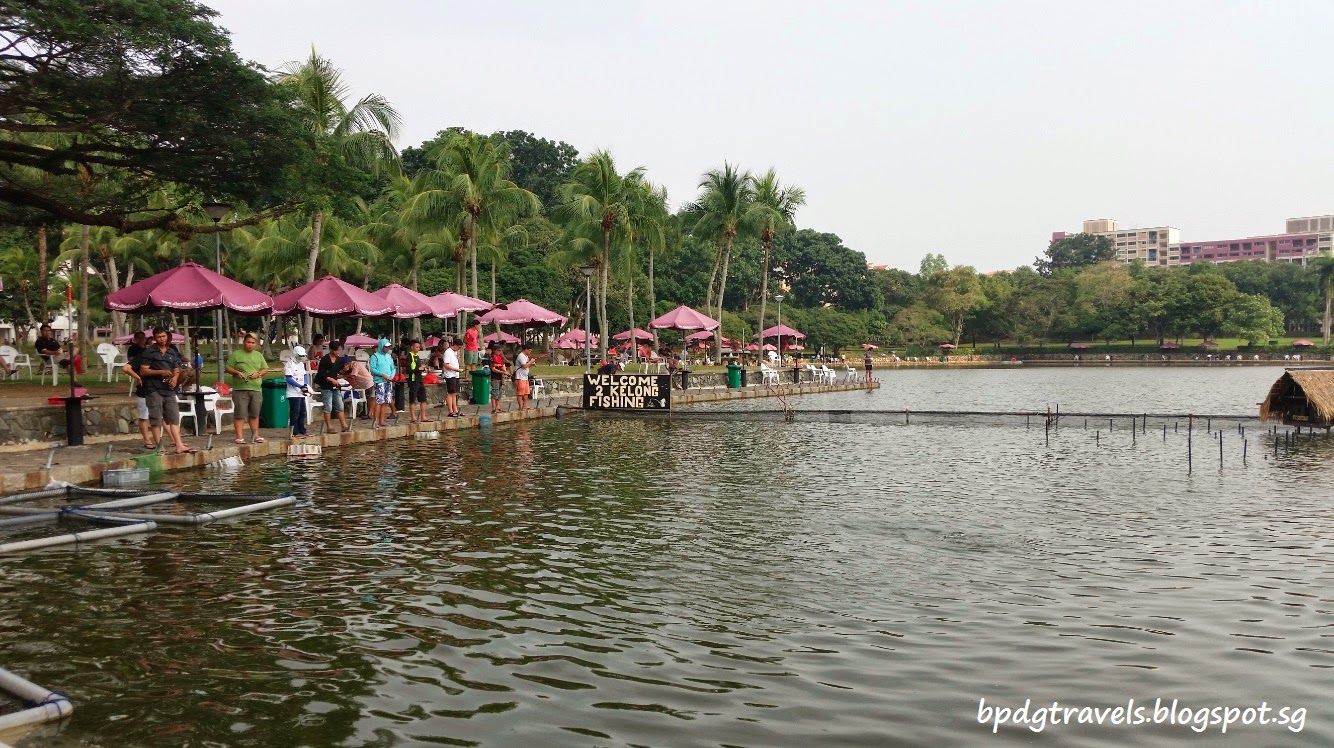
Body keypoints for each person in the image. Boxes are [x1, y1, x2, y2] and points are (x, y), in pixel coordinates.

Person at [138, 327, 193, 454]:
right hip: (153, 388)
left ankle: (179, 445)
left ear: (167, 336)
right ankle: (159, 446)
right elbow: (143, 370)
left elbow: (176, 368)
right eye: (159, 337)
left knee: (174, 417)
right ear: (155, 338)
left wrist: (175, 378)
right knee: (156, 418)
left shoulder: (171, 352)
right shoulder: (149, 352)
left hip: (168, 389)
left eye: (164, 336)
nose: (162, 339)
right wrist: (160, 371)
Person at [224, 332, 270, 444]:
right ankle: (239, 437)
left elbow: (265, 369)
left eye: (253, 343)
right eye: (248, 342)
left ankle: (256, 435)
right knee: (240, 413)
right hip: (241, 389)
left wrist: (258, 374)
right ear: (244, 342)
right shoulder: (236, 354)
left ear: (256, 344)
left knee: (255, 414)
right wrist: (236, 372)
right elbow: (228, 368)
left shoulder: (258, 355)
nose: (250, 344)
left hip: (256, 389)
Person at [121, 332, 153, 448]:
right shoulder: (136, 350)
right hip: (144, 387)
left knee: (160, 416)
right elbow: (127, 366)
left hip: (157, 388)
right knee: (144, 415)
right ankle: (147, 440)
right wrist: (138, 377)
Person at [316, 339, 350, 433]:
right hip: (326, 386)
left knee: (340, 405)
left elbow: (339, 371)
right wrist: (331, 379)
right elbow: (321, 374)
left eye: (338, 350)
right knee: (328, 407)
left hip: (335, 386)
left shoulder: (339, 359)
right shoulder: (325, 359)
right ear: (330, 349)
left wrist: (344, 370)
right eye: (335, 350)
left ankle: (344, 425)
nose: (337, 352)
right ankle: (329, 427)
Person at [368, 338, 396, 428]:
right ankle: (375, 422)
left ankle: (381, 421)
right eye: (385, 347)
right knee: (379, 401)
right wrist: (382, 375)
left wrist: (391, 376)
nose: (387, 349)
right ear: (381, 346)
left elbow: (393, 368)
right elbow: (372, 369)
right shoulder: (375, 356)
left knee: (386, 402)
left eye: (388, 347)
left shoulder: (389, 356)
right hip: (379, 382)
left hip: (388, 381)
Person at [284, 345, 310, 438]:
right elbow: (289, 379)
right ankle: (294, 432)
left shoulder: (301, 364)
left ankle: (302, 430)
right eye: (300, 356)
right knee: (295, 411)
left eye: (303, 356)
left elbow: (304, 375)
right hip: (293, 393)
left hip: (301, 392)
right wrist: (299, 386)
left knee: (302, 411)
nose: (301, 358)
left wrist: (305, 385)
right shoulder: (289, 364)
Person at [405, 339, 428, 423]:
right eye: (417, 347)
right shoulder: (409, 356)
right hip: (413, 380)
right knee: (412, 399)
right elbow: (408, 370)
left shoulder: (417, 356)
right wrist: (418, 369)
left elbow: (418, 368)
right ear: (412, 347)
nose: (418, 349)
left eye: (419, 347)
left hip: (419, 379)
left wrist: (422, 368)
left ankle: (423, 416)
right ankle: (413, 417)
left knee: (423, 398)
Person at [441, 337, 463, 417]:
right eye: (459, 347)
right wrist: (456, 369)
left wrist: (459, 356)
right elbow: (446, 364)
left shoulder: (455, 352)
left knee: (454, 393)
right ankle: (450, 411)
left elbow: (457, 361)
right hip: (450, 375)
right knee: (450, 393)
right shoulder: (448, 352)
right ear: (455, 345)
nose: (459, 349)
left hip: (455, 374)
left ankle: (455, 410)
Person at [487, 341, 508, 414]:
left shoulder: (500, 358)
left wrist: (505, 371)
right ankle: (493, 408)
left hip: (501, 378)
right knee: (495, 393)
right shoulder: (491, 358)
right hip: (495, 378)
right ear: (494, 350)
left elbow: (503, 366)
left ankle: (498, 407)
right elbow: (493, 369)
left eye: (500, 350)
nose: (499, 351)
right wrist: (502, 372)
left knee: (500, 393)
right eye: (498, 350)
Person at [514, 343, 533, 410]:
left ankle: (526, 405)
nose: (530, 352)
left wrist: (531, 364)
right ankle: (521, 406)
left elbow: (527, 365)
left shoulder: (526, 356)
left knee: (526, 392)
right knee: (520, 393)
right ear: (526, 349)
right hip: (520, 377)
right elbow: (524, 365)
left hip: (525, 377)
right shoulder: (521, 356)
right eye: (530, 350)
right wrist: (531, 362)